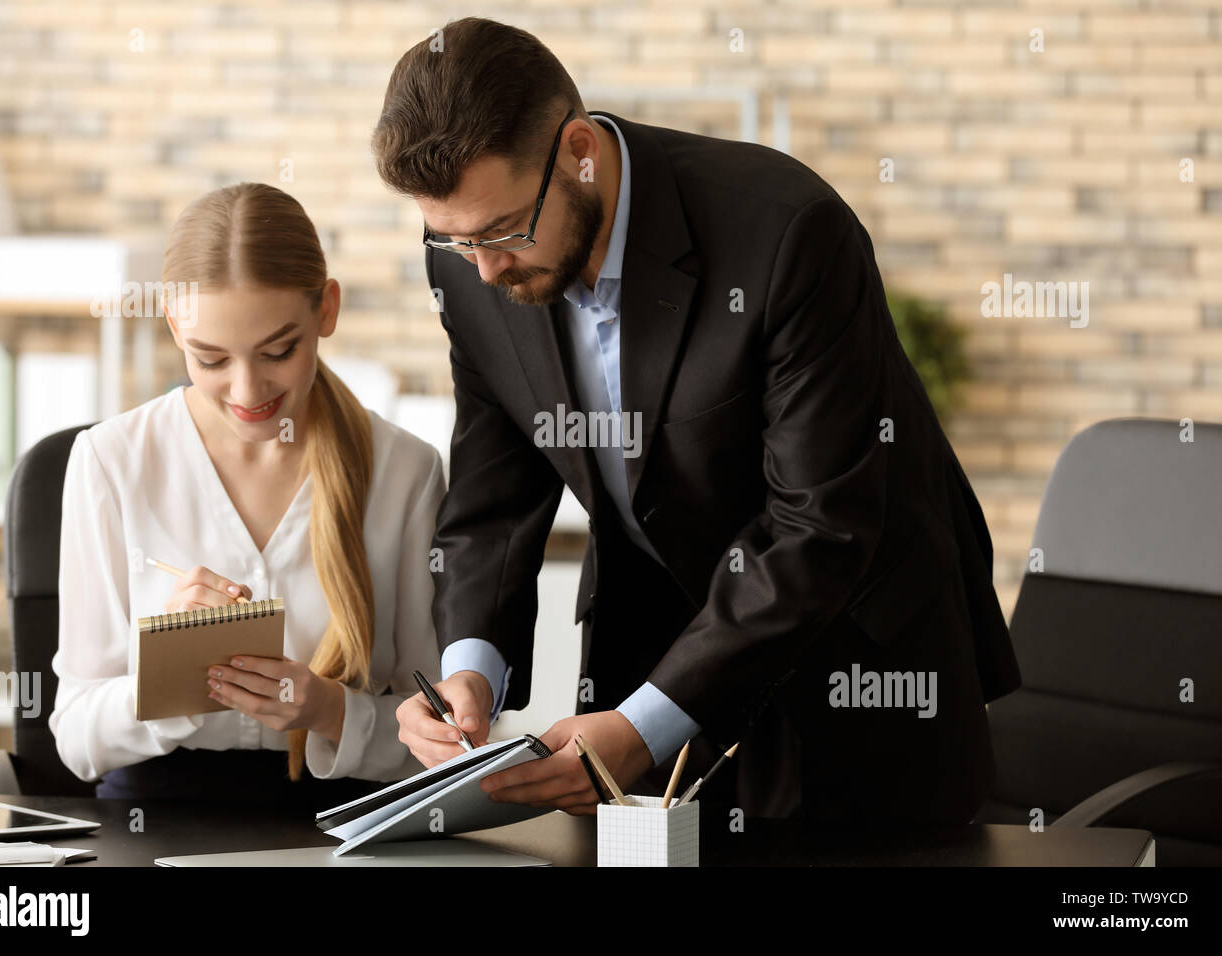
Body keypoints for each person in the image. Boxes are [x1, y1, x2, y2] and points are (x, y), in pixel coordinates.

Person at [385, 18, 1022, 824]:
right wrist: (468, 672)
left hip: (854, 673)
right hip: (642, 663)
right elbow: (493, 496)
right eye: (452, 240)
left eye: (504, 232)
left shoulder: (788, 232)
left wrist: (640, 726)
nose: (483, 268)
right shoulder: (475, 257)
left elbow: (816, 526)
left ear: (578, 149)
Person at [49, 182, 445, 809]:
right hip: (151, 825)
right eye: (210, 359)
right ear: (175, 326)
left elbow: (443, 739)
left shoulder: (407, 473)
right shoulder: (111, 461)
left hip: (340, 827)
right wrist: (165, 678)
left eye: (278, 351)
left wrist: (330, 711)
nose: (246, 389)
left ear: (327, 312)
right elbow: (75, 739)